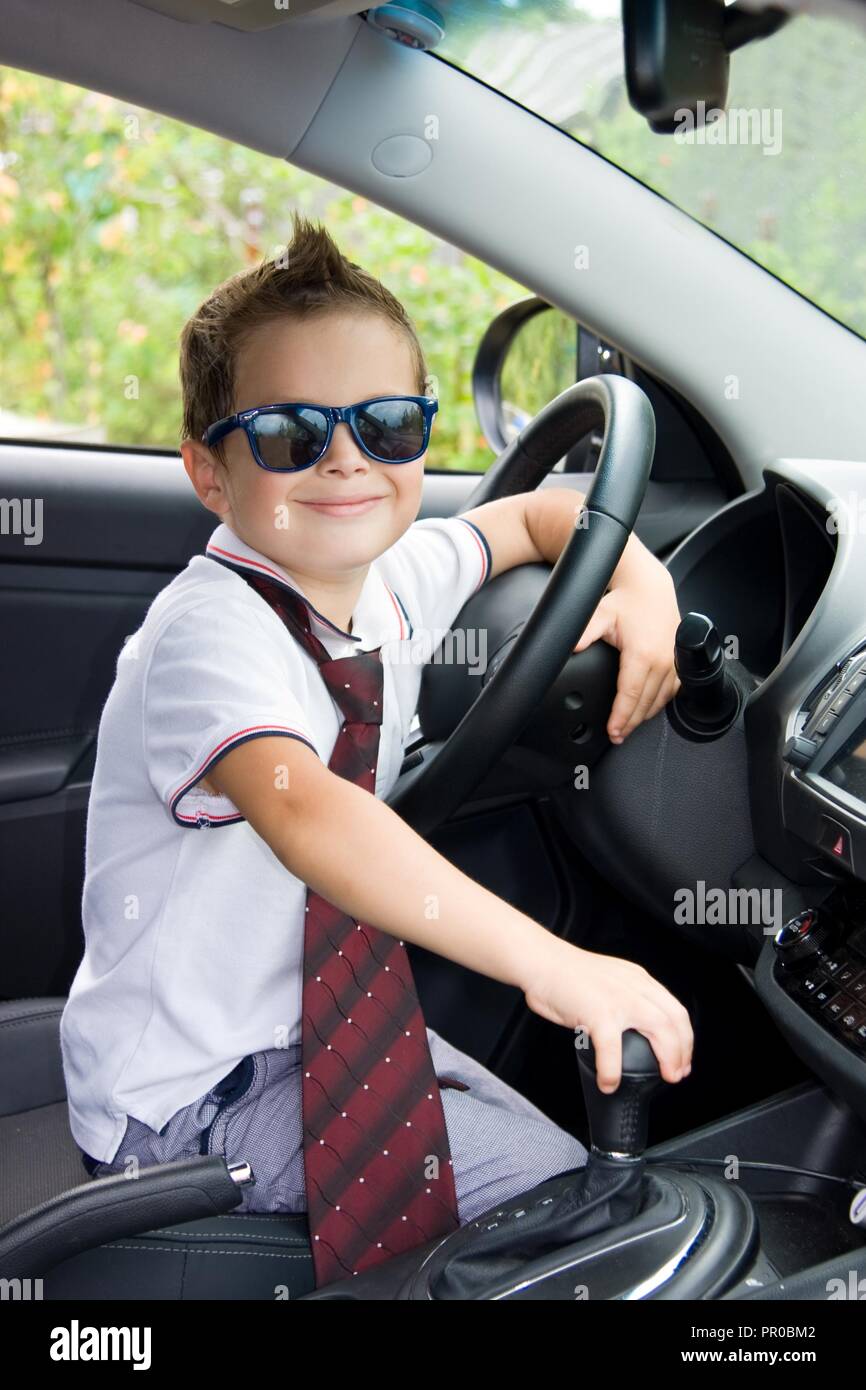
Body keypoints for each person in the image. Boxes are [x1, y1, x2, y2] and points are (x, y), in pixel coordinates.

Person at [60, 214, 692, 1241]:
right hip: (192, 1097)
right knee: (576, 1212)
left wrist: (643, 584)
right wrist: (553, 964)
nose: (347, 463)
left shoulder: (392, 578)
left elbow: (531, 520)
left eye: (388, 425)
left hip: (317, 1028)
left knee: (575, 1174)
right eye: (289, 436)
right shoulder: (208, 633)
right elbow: (310, 814)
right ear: (209, 474)